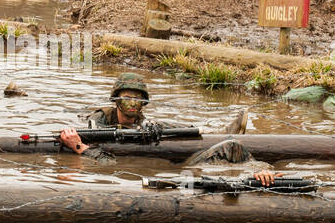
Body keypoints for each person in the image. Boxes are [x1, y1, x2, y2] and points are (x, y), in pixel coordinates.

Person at [58, 73, 275, 172]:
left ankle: (218, 133)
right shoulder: (99, 121)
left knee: (162, 126)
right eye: (127, 98)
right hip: (132, 167)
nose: (132, 104)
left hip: (155, 162)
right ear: (116, 100)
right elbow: (107, 162)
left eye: (138, 99)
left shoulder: (143, 121)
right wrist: (79, 147)